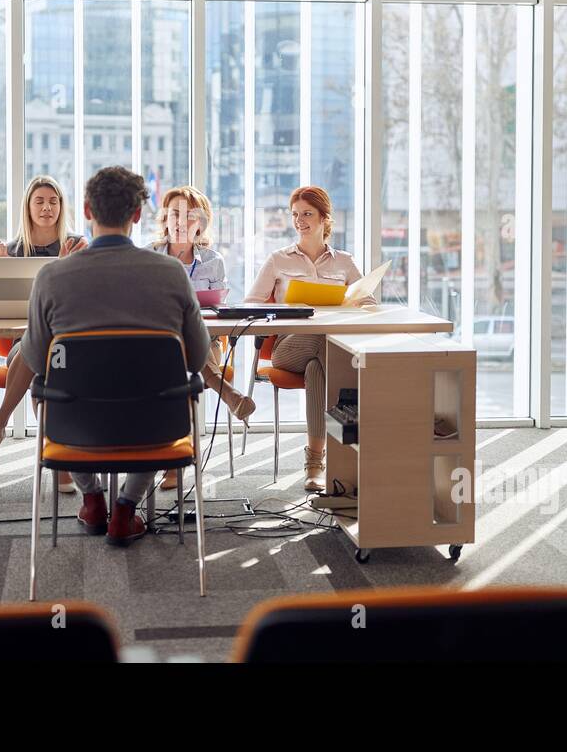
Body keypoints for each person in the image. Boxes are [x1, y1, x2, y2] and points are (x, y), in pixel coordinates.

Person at [19, 165, 209, 546]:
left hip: (75, 427)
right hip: (156, 426)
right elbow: (198, 358)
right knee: (173, 397)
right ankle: (126, 508)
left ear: (87, 210)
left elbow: (37, 362)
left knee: (43, 390)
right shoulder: (172, 274)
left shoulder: (51, 278)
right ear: (138, 215)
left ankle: (91, 497)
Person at [245, 185, 375, 492]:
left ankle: (315, 464)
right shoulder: (278, 259)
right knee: (325, 344)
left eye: (307, 214)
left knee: (319, 368)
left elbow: (368, 303)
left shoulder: (344, 262)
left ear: (324, 218)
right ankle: (358, 430)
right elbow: (250, 303)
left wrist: (355, 303)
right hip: (288, 348)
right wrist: (281, 308)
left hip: (324, 351)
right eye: (295, 215)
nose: (300, 221)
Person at [0, 176, 86, 493]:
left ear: (62, 207)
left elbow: (82, 303)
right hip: (23, 341)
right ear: (28, 207)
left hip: (68, 341)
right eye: (39, 201)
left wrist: (64, 268)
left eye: (53, 201)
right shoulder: (12, 250)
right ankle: (61, 464)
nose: (47, 207)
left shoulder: (77, 245)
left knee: (40, 366)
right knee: (37, 356)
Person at [148, 184, 255, 490]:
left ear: (202, 222)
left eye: (190, 215)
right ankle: (227, 393)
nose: (182, 221)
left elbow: (220, 310)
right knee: (178, 354)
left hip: (207, 342)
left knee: (186, 357)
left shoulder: (213, 261)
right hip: (158, 345)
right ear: (165, 219)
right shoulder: (149, 257)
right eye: (175, 214)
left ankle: (172, 466)